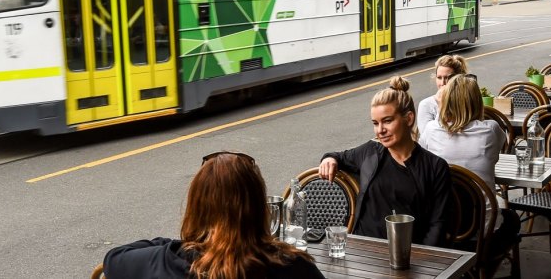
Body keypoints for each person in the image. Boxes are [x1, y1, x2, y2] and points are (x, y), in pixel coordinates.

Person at [104, 152, 324, 279]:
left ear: (197, 208)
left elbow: (112, 259)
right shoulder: (295, 268)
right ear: (259, 208)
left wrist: (176, 244)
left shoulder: (167, 261)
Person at [318, 76, 451, 246]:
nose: (380, 130)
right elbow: (339, 155)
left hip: (407, 255)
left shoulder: (435, 167)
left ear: (409, 119)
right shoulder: (370, 151)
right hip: (361, 250)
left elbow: (437, 225)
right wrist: (329, 159)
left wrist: (419, 261)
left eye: (387, 121)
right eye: (375, 123)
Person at [418, 74, 520, 259]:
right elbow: (498, 153)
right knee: (512, 218)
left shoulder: (431, 130)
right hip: (483, 232)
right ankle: (484, 266)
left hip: (444, 228)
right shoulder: (490, 130)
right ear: (476, 102)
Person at [416, 55, 469, 136]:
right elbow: (426, 138)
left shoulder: (467, 101)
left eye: (448, 78)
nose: (442, 83)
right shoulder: (426, 105)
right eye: (439, 77)